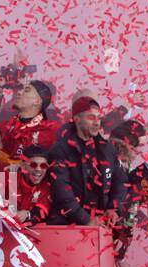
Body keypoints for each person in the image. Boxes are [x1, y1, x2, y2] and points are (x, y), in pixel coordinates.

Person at [47, 96, 126, 227]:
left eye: (99, 118)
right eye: (91, 118)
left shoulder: (107, 149)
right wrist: (86, 220)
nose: (97, 123)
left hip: (100, 227)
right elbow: (60, 190)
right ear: (77, 119)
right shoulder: (61, 149)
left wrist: (113, 208)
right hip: (67, 227)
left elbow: (120, 181)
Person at [0, 79, 58, 165]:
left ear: (37, 101)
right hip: (5, 177)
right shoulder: (5, 126)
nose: (19, 92)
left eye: (26, 91)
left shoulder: (50, 130)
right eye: (21, 89)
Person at [14, 146, 53, 225]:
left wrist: (27, 214)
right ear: (23, 166)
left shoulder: (47, 186)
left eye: (43, 166)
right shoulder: (7, 179)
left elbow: (40, 213)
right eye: (33, 165)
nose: (38, 169)